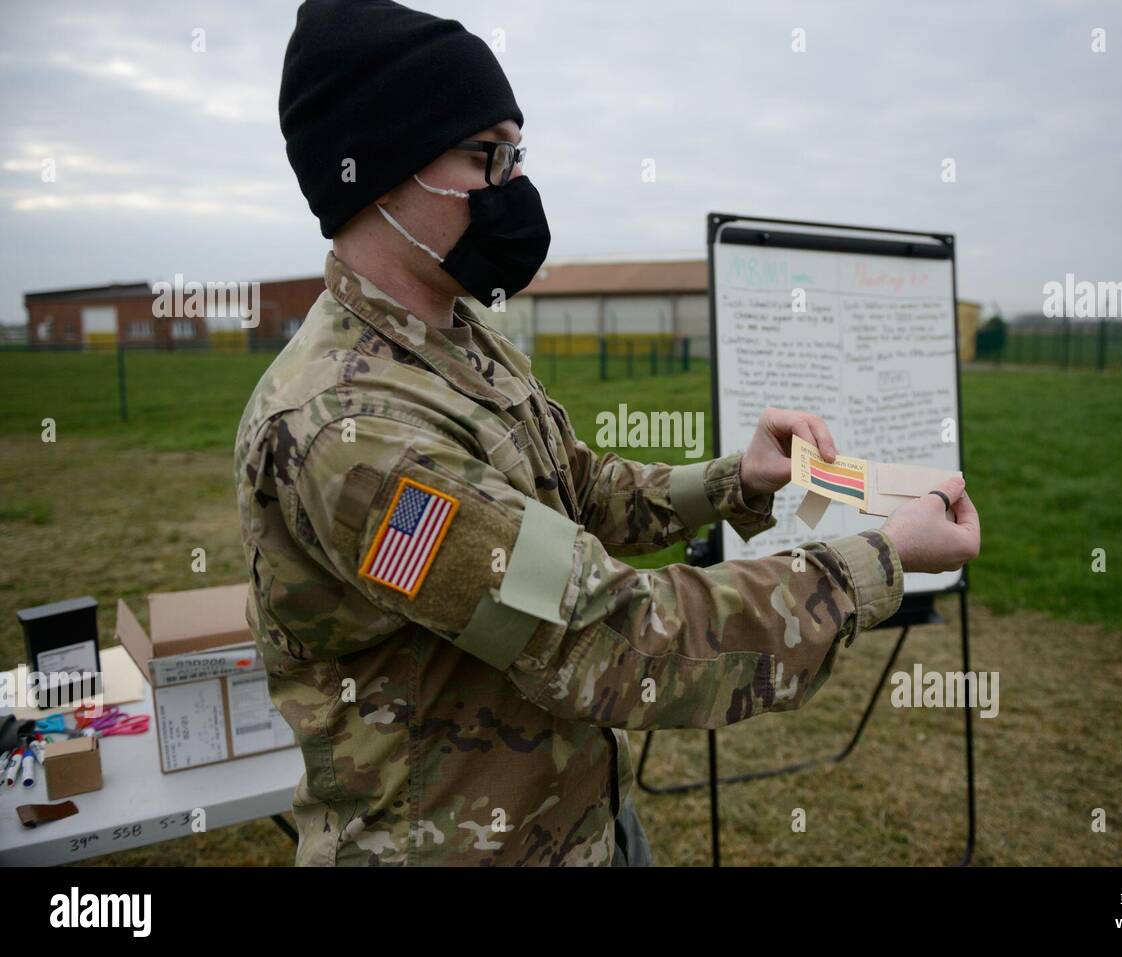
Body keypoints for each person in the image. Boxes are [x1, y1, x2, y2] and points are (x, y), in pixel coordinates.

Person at [235, 0, 980, 867]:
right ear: (381, 170)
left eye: (519, 155)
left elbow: (577, 492)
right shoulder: (348, 430)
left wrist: (737, 478)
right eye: (487, 156)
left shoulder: (456, 337)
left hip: (571, 826)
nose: (513, 184)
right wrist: (875, 562)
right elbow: (606, 636)